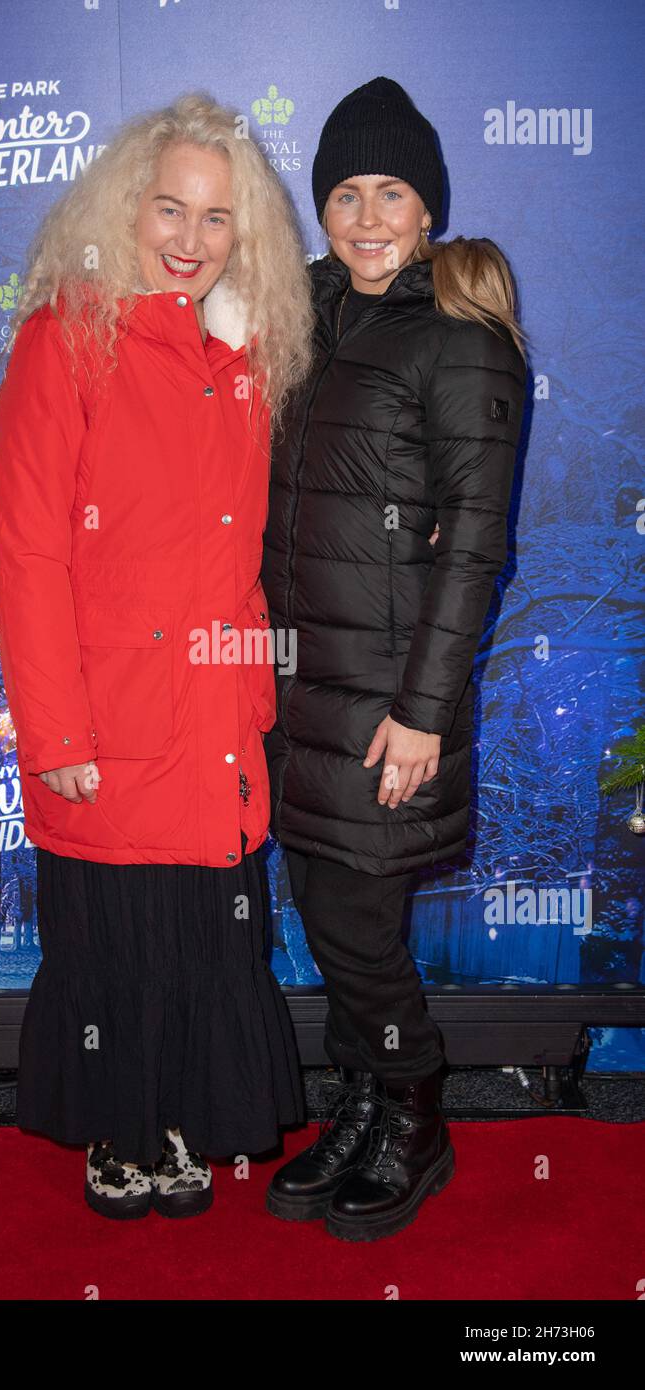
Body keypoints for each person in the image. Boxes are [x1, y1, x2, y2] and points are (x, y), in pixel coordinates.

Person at [0, 92, 314, 1221]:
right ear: (125, 207)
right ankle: (117, 1131)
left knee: (198, 934)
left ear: (245, 236)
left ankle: (175, 1114)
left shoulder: (245, 359)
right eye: (168, 207)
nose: (189, 238)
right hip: (109, 714)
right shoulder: (63, 338)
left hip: (212, 714)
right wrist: (57, 732)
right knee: (114, 934)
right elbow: (25, 552)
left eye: (217, 219)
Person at [261, 77, 528, 1242]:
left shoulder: (458, 342)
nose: (366, 215)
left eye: (392, 191)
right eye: (344, 192)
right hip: (297, 694)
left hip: (387, 706)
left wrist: (421, 715)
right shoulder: (303, 321)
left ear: (427, 209)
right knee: (325, 913)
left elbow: (473, 545)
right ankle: (364, 1098)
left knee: (357, 926)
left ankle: (415, 1110)